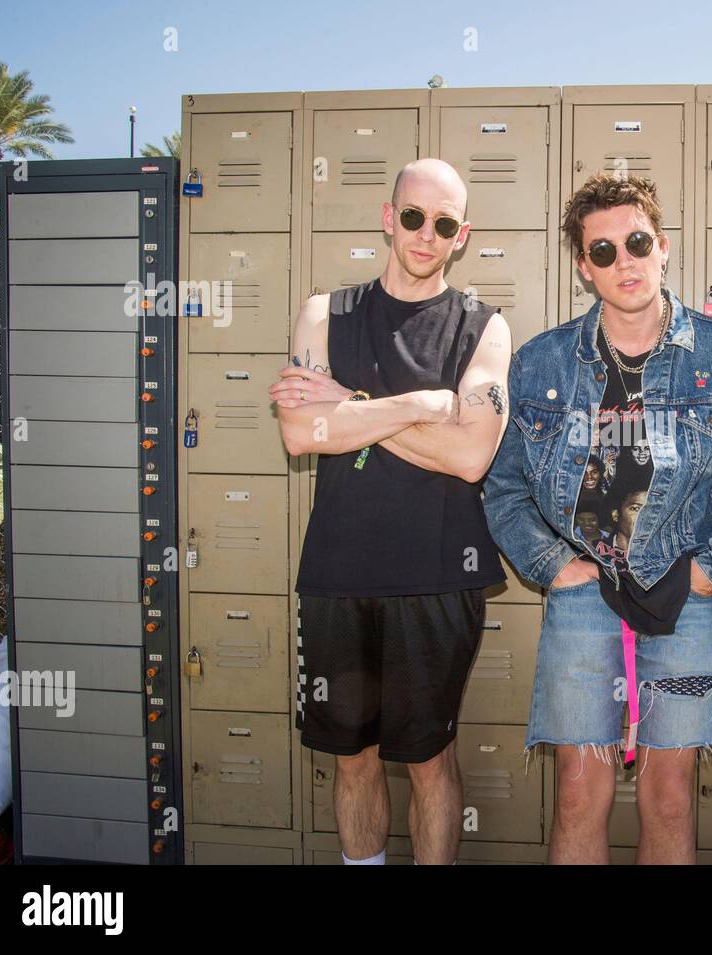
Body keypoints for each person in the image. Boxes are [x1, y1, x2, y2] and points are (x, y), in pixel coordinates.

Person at [482, 173, 712, 864]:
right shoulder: (542, 362)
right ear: (585, 267)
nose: (626, 261)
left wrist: (710, 574)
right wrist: (555, 567)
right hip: (585, 596)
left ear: (663, 248)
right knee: (580, 794)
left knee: (669, 795)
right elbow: (503, 490)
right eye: (605, 250)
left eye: (637, 242)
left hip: (684, 596)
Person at [269, 158, 511, 865]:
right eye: (413, 217)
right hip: (338, 576)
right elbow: (299, 433)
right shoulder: (326, 314)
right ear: (387, 216)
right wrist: (414, 406)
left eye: (443, 224)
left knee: (430, 758)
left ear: (461, 235)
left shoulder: (483, 329)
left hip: (436, 581)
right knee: (352, 757)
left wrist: (345, 405)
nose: (425, 235)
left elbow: (472, 456)